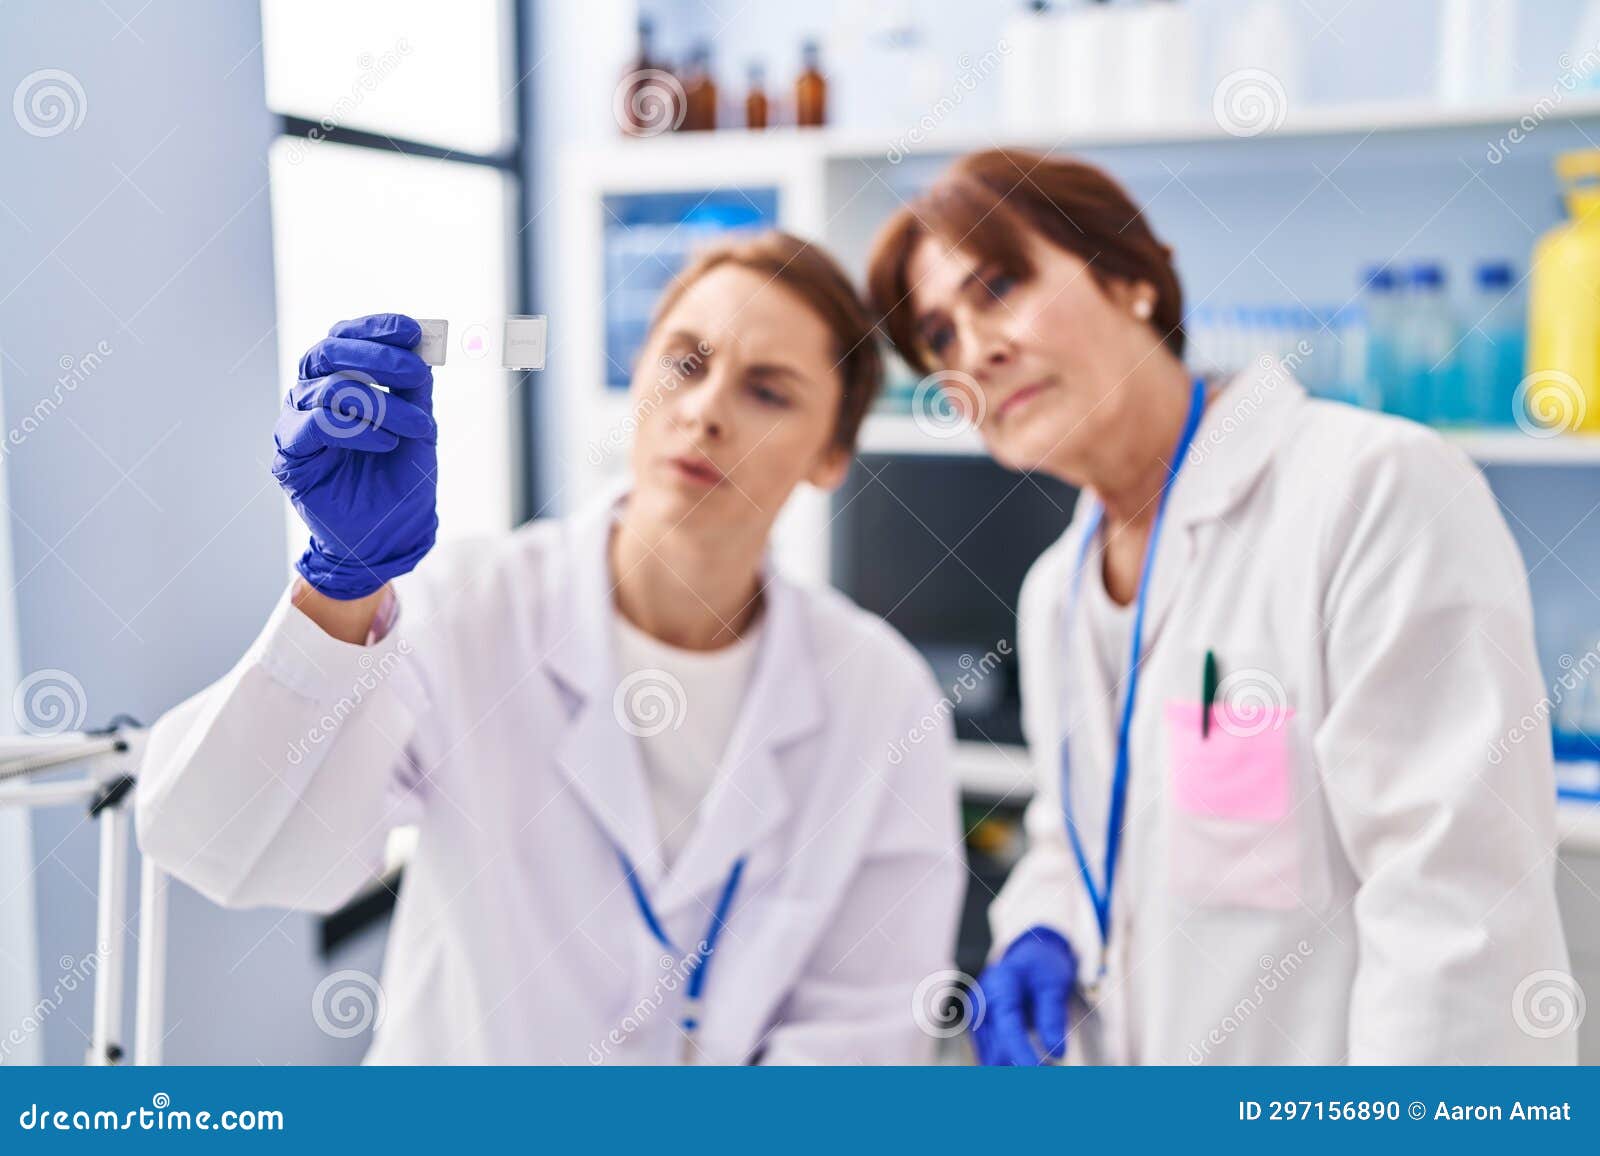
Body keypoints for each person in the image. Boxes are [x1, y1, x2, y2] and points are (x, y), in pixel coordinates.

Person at [137, 231, 964, 1064]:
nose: (706, 409)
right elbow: (220, 845)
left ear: (831, 455)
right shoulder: (471, 606)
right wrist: (339, 588)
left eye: (768, 391)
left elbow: (865, 1022)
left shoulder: (879, 694)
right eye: (685, 362)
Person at [866, 148, 1576, 1065]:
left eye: (1000, 287)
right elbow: (1090, 828)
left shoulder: (1370, 491)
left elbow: (1458, 915)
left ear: (1130, 282)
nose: (977, 352)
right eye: (940, 338)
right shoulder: (1058, 589)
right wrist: (1042, 925)